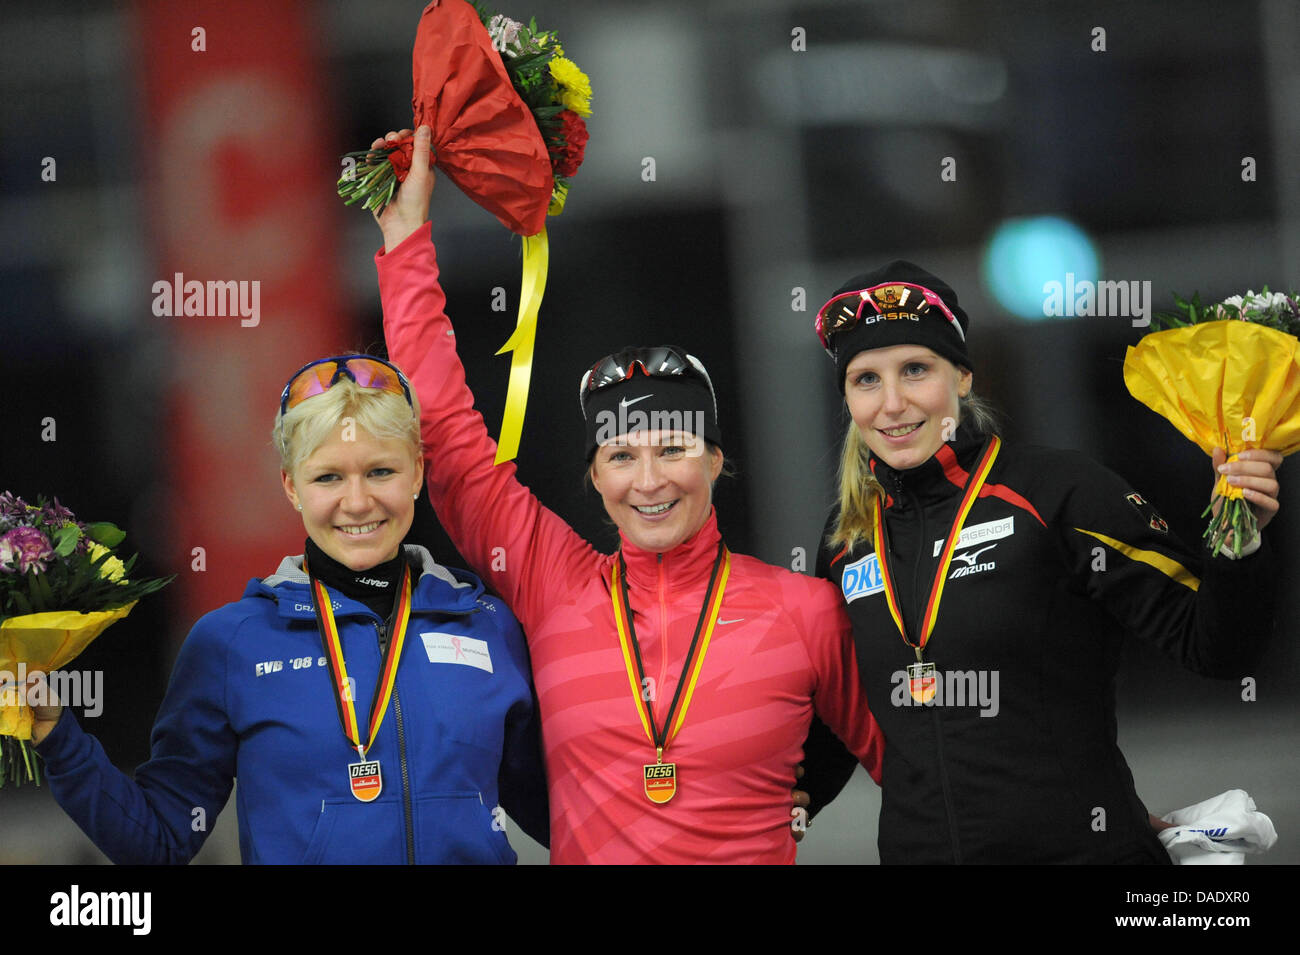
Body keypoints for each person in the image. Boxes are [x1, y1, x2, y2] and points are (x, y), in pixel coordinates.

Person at [373, 125, 885, 864]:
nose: (649, 480)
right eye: (621, 455)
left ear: (715, 460)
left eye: (674, 449)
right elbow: (448, 440)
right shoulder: (553, 581)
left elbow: (923, 771)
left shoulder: (805, 611)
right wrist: (405, 239)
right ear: (595, 476)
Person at [807, 261, 1282, 864]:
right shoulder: (844, 540)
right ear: (848, 400)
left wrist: (1238, 542)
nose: (893, 403)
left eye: (916, 370)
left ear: (963, 378)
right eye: (866, 380)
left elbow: (1219, 649)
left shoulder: (1058, 492)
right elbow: (834, 716)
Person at [28, 354, 547, 864]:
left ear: (417, 474)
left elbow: (565, 815)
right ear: (290, 486)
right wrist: (60, 738)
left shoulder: (487, 625)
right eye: (328, 478)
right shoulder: (231, 643)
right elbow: (158, 841)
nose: (359, 501)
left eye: (381, 471)